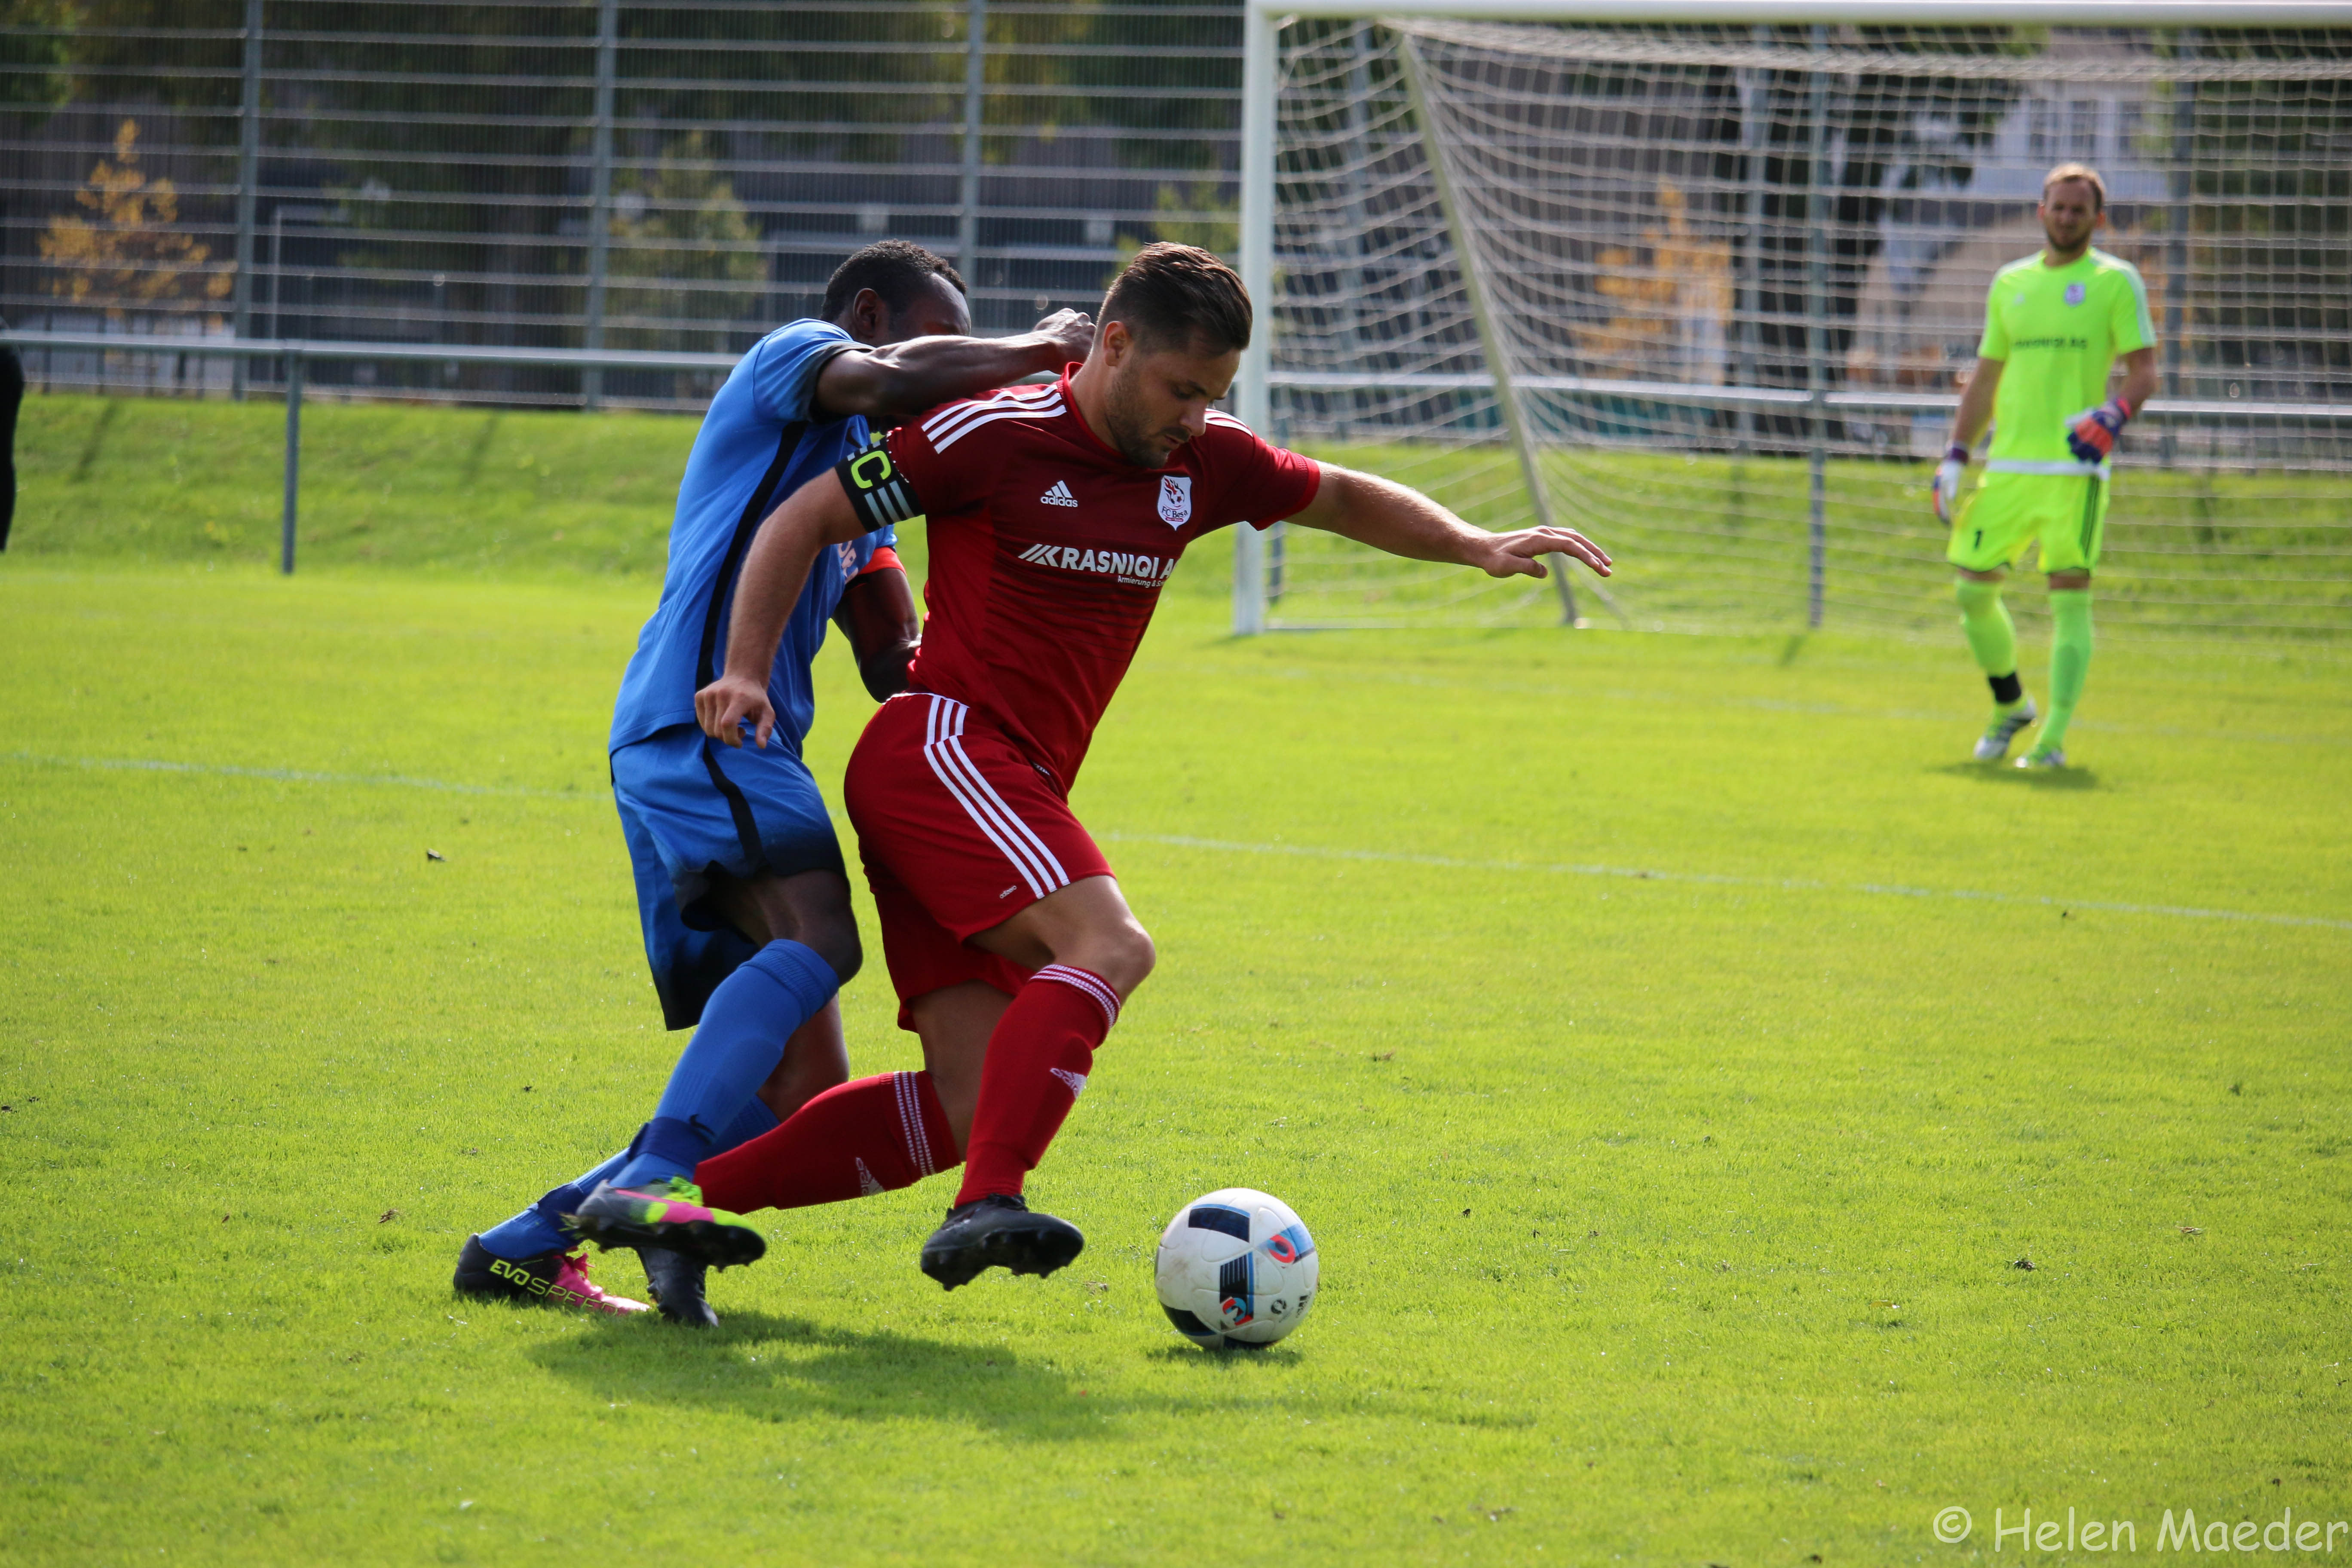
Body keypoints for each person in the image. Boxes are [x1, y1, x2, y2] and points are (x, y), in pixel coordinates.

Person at [686, 242, 1612, 1291]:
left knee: (962, 1102)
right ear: (1115, 344)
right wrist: (745, 670)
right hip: (942, 748)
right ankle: (989, 1204)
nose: (1197, 417)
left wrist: (1474, 541)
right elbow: (804, 518)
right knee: (1110, 944)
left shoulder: (1203, 462)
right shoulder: (995, 431)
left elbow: (1342, 496)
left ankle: (661, 1202)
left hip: (1004, 779)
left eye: (1215, 395)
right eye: (1182, 390)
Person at [453, 241, 1093, 1323]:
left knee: (801, 1087)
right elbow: (886, 381)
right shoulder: (796, 358)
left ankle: (527, 1244)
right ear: (870, 313)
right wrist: (1038, 351)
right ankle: (656, 1178)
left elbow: (895, 662)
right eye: (939, 332)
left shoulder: (865, 491)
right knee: (821, 937)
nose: (954, 362)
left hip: (736, 749)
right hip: (705, 716)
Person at [1931, 162, 2158, 770]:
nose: (2066, 218)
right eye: (2058, 207)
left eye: (2078, 210)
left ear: (2098, 219)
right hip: (2008, 467)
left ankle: (2052, 740)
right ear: (2041, 212)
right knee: (1972, 589)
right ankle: (2011, 705)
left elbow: (2144, 373)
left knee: (2069, 598)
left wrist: (2114, 414)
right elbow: (1985, 379)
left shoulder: (2115, 282)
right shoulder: (2010, 282)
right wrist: (1956, 456)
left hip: (2074, 473)